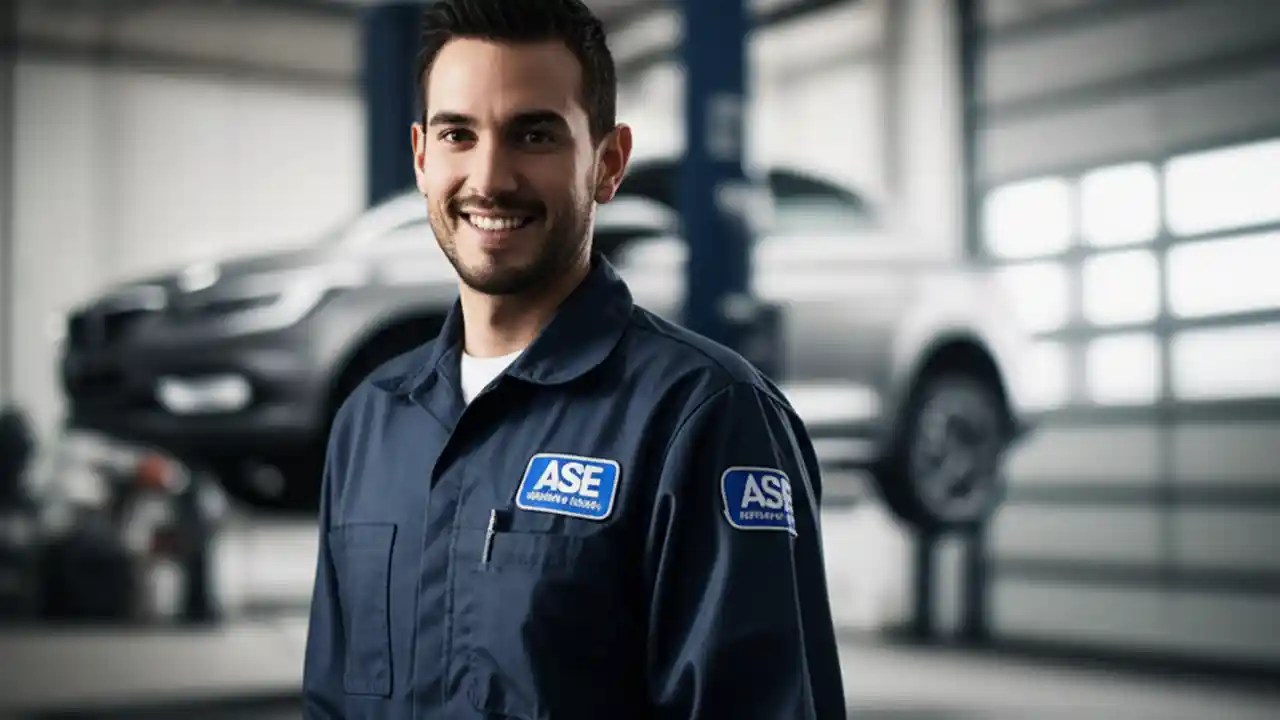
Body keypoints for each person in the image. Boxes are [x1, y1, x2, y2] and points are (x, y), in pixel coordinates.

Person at [302, 0, 846, 717]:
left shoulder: (706, 419)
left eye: (534, 135)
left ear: (608, 164)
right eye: (458, 134)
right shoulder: (370, 424)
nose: (490, 178)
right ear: (421, 158)